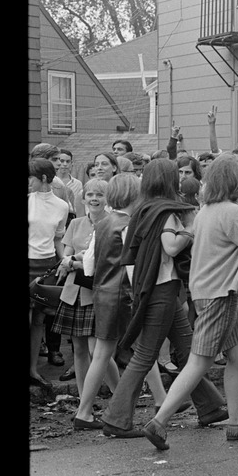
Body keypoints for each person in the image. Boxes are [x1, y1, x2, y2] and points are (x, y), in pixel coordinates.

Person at [141, 154, 238, 449]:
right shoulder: (233, 212)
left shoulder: (206, 211)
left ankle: (237, 424)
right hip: (220, 294)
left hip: (207, 292)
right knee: (199, 361)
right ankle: (159, 422)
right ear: (234, 181)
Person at [99, 159, 227, 437]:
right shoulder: (166, 211)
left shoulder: (144, 209)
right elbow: (170, 247)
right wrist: (192, 229)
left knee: (186, 349)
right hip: (163, 288)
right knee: (146, 356)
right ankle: (116, 418)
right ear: (169, 181)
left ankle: (211, 407)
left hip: (152, 288)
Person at [72, 173, 158, 431]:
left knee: (102, 354)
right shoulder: (129, 225)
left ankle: (84, 412)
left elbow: (88, 266)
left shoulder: (103, 223)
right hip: (124, 294)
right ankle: (160, 400)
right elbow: (132, 267)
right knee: (144, 348)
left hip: (102, 293)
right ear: (136, 195)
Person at [51, 179, 120, 402]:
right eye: (90, 194)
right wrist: (73, 262)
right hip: (73, 292)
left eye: (99, 195)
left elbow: (104, 262)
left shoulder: (112, 223)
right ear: (83, 198)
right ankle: (85, 401)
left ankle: (119, 396)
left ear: (108, 199)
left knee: (97, 350)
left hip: (98, 293)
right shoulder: (76, 223)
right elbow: (66, 256)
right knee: (79, 350)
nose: (94, 199)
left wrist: (75, 263)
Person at [29, 158, 70, 387]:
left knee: (39, 319)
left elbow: (58, 239)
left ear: (43, 178)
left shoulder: (61, 206)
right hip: (29, 262)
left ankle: (33, 370)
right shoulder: (28, 201)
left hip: (47, 266)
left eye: (32, 177)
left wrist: (65, 261)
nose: (29, 181)